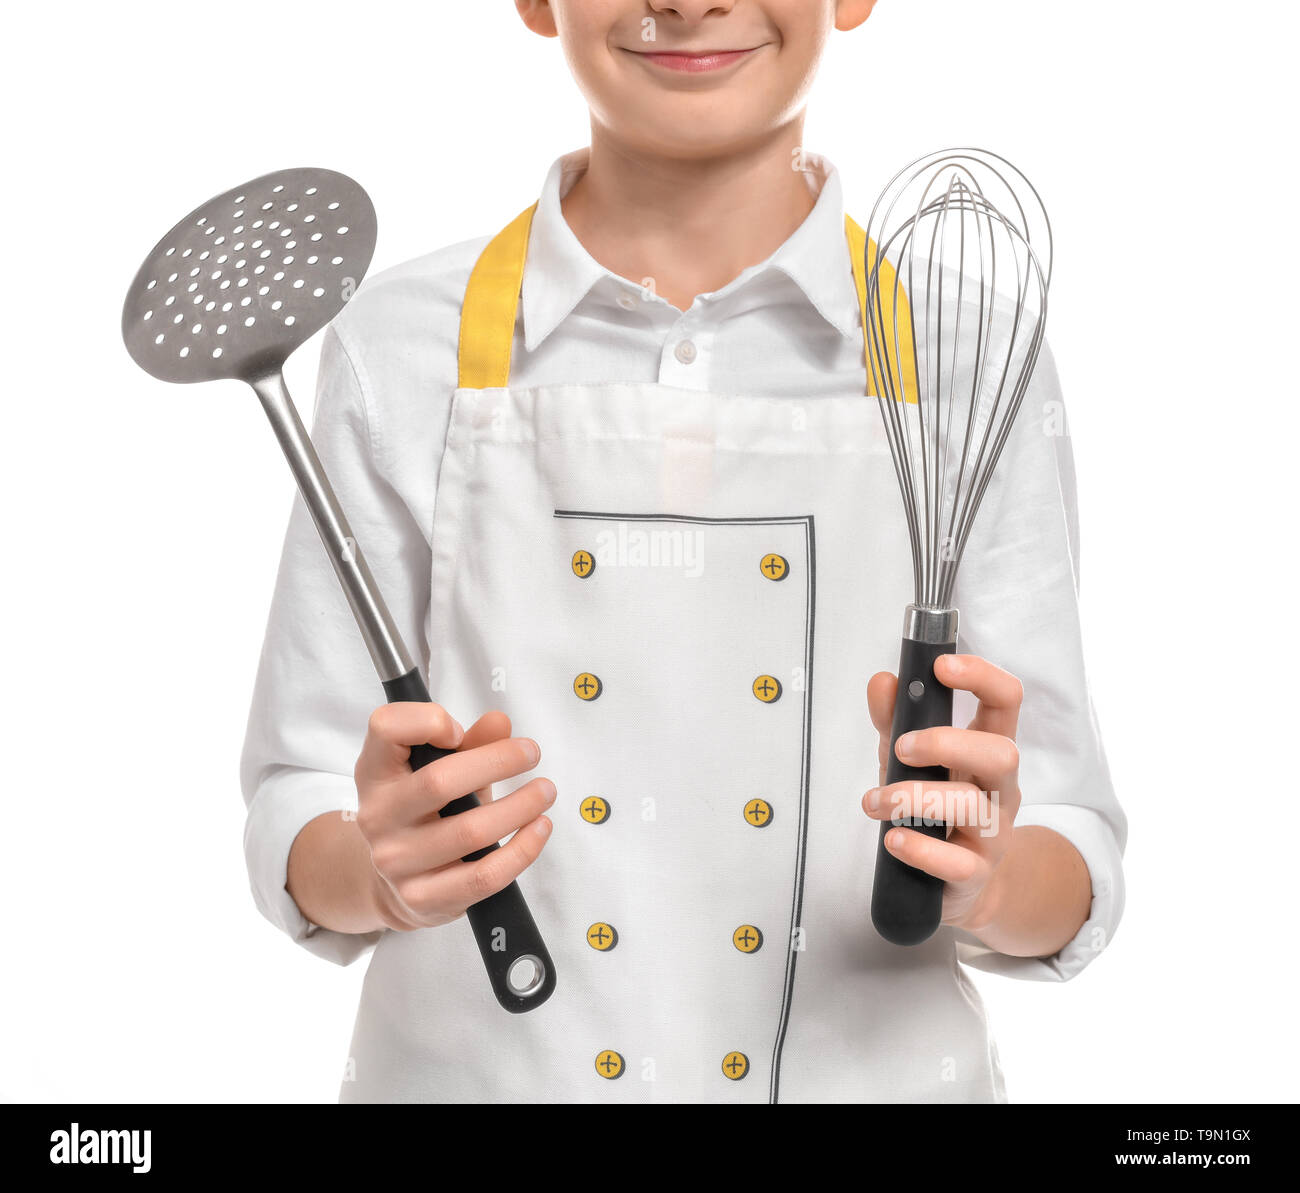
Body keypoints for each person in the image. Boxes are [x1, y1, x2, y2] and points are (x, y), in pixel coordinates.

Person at [240, 0, 1125, 1103]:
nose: (689, 0)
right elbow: (300, 796)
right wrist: (379, 868)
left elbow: (1068, 835)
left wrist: (990, 877)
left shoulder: (970, 356)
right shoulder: (397, 346)